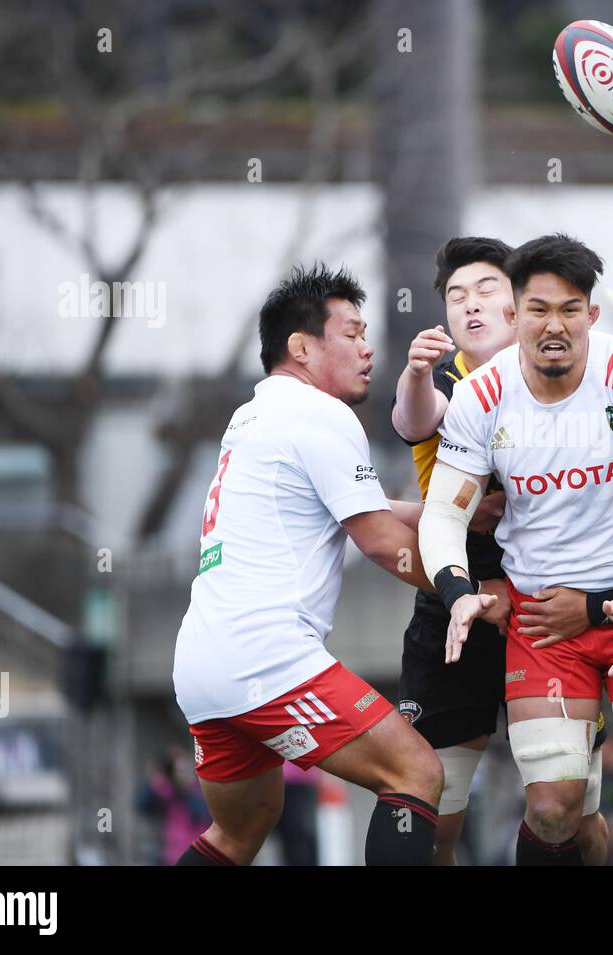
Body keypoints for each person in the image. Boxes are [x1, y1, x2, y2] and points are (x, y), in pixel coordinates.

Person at [417, 234, 613, 865]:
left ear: (592, 317)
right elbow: (443, 511)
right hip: (545, 621)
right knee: (555, 813)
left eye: (570, 309)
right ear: (515, 315)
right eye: (540, 309)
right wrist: (457, 589)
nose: (555, 326)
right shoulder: (480, 396)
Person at [171, 264, 445, 866]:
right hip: (265, 656)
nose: (368, 348)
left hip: (202, 662)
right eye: (351, 333)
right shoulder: (320, 414)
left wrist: (443, 514)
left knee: (239, 833)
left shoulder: (255, 416)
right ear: (302, 347)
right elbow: (376, 540)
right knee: (415, 772)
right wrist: (467, 591)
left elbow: (362, 505)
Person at [390, 236, 609, 865]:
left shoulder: (577, 371)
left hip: (549, 605)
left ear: (519, 306)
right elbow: (414, 420)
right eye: (457, 296)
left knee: (569, 815)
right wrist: (413, 372)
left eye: (487, 290)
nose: (472, 306)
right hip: (458, 605)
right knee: (433, 816)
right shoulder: (444, 383)